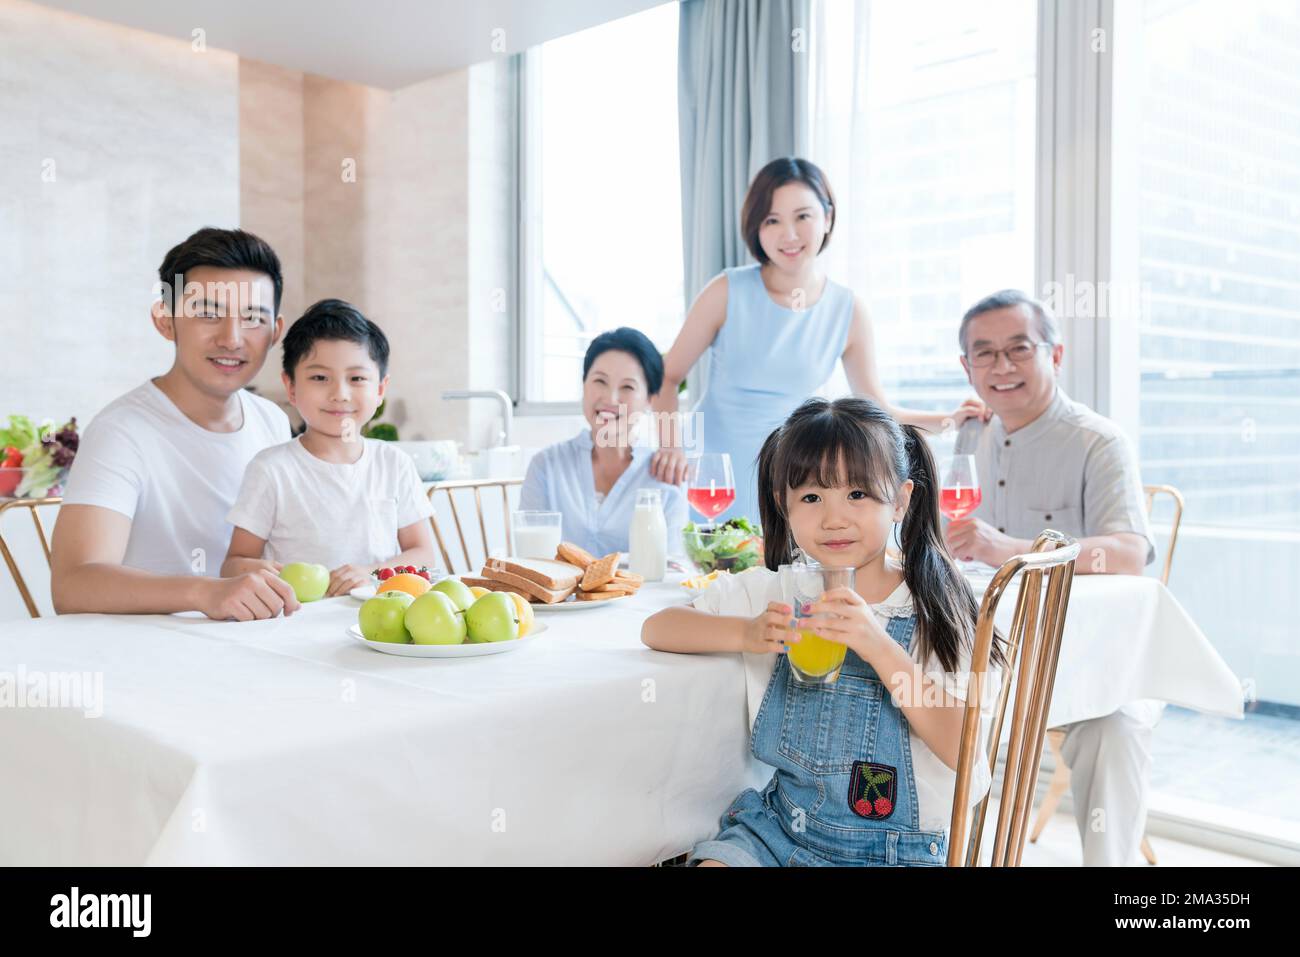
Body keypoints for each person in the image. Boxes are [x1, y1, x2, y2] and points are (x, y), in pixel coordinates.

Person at [642, 397, 1005, 866]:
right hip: (779, 832)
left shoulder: (937, 606)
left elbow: (965, 748)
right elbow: (659, 627)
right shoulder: (777, 590)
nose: (834, 518)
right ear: (784, 505)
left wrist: (878, 646)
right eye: (812, 498)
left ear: (900, 501)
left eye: (857, 494)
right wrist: (747, 634)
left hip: (896, 854)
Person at [649, 156, 985, 524]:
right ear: (756, 228)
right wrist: (671, 445)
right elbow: (667, 375)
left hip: (791, 475)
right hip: (714, 479)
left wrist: (951, 420)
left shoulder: (847, 309)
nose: (789, 234)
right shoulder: (727, 290)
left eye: (803, 216)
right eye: (772, 220)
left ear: (827, 217)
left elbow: (879, 410)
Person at [948, 288, 1158, 867]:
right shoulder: (970, 435)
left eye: (1019, 349)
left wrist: (1010, 549)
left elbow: (1128, 553)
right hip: (990, 654)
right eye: (984, 354)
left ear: (1055, 356)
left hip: (1089, 656)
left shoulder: (1099, 442)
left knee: (1117, 728)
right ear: (966, 368)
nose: (1002, 366)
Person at [51, 227, 302, 620]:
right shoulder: (122, 431)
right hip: (149, 660)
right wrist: (206, 592)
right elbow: (73, 585)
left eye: (253, 318)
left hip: (254, 646)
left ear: (276, 333)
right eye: (207, 314)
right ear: (165, 321)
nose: (232, 338)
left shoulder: (271, 420)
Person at [221, 299, 437, 597]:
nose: (340, 394)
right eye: (320, 378)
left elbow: (423, 555)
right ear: (291, 387)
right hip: (294, 624)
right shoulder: (271, 469)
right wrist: (265, 573)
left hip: (376, 624)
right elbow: (233, 564)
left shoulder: (393, 463)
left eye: (357, 378)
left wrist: (371, 574)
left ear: (380, 390)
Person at [520, 327, 686, 555]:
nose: (610, 398)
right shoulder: (546, 466)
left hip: (642, 592)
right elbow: (530, 563)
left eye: (627, 387)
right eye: (600, 381)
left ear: (650, 399)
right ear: (584, 385)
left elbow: (673, 567)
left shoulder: (665, 475)